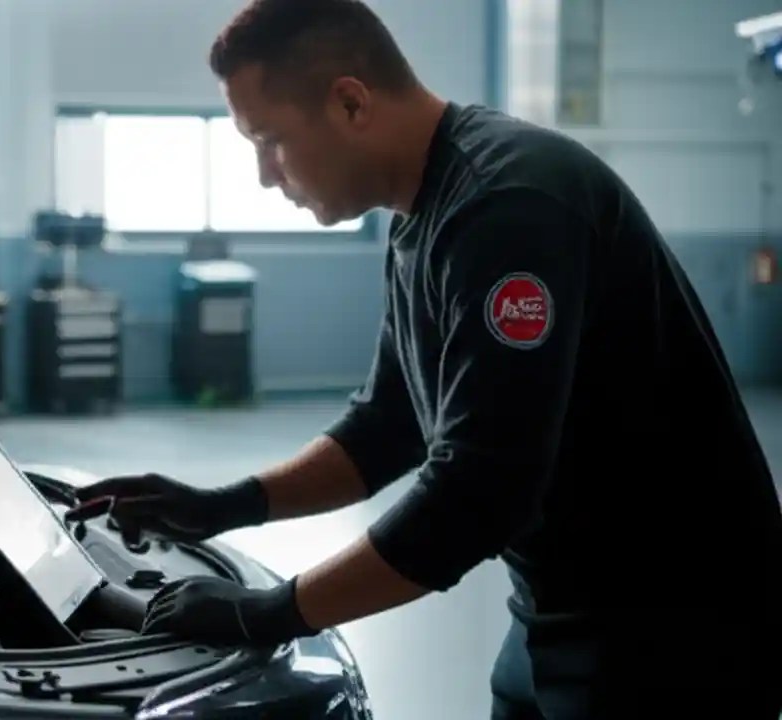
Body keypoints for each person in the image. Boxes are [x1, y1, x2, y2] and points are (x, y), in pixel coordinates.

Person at [65, 0, 782, 717]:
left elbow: (478, 494)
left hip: (675, 628)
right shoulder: (422, 214)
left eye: (271, 140)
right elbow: (387, 425)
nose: (264, 176)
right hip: (558, 609)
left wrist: (269, 613)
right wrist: (223, 506)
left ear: (350, 102)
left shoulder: (509, 204)